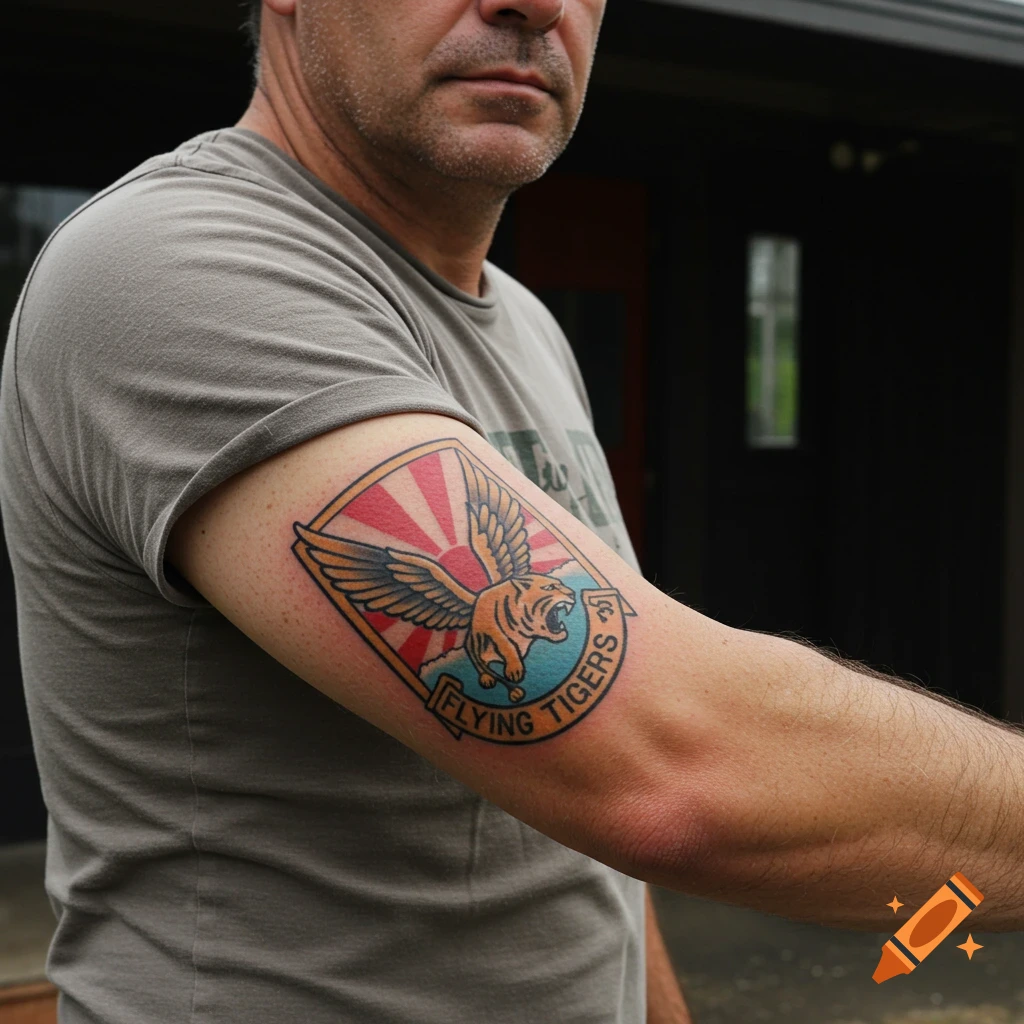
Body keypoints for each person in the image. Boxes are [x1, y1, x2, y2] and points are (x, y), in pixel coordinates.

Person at [1, 2, 1021, 1023]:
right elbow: (669, 763)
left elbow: (593, 818)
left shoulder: (525, 326)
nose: (532, 3)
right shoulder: (172, 268)